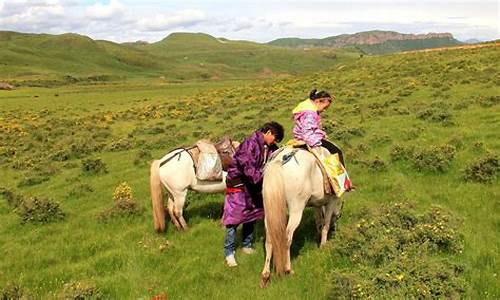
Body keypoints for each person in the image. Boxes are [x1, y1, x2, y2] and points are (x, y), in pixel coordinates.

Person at [223, 121, 284, 267]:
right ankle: (229, 253)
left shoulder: (269, 147)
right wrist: (263, 178)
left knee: (252, 215)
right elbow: (247, 166)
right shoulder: (249, 144)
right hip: (240, 184)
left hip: (255, 185)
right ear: (268, 133)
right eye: (275, 138)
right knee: (234, 219)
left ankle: (247, 245)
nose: (275, 142)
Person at [292, 89, 346, 166]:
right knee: (336, 152)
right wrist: (316, 143)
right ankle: (340, 177)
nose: (324, 110)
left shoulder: (305, 109)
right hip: (310, 139)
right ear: (318, 101)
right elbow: (307, 132)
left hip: (300, 137)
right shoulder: (310, 113)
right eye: (325, 107)